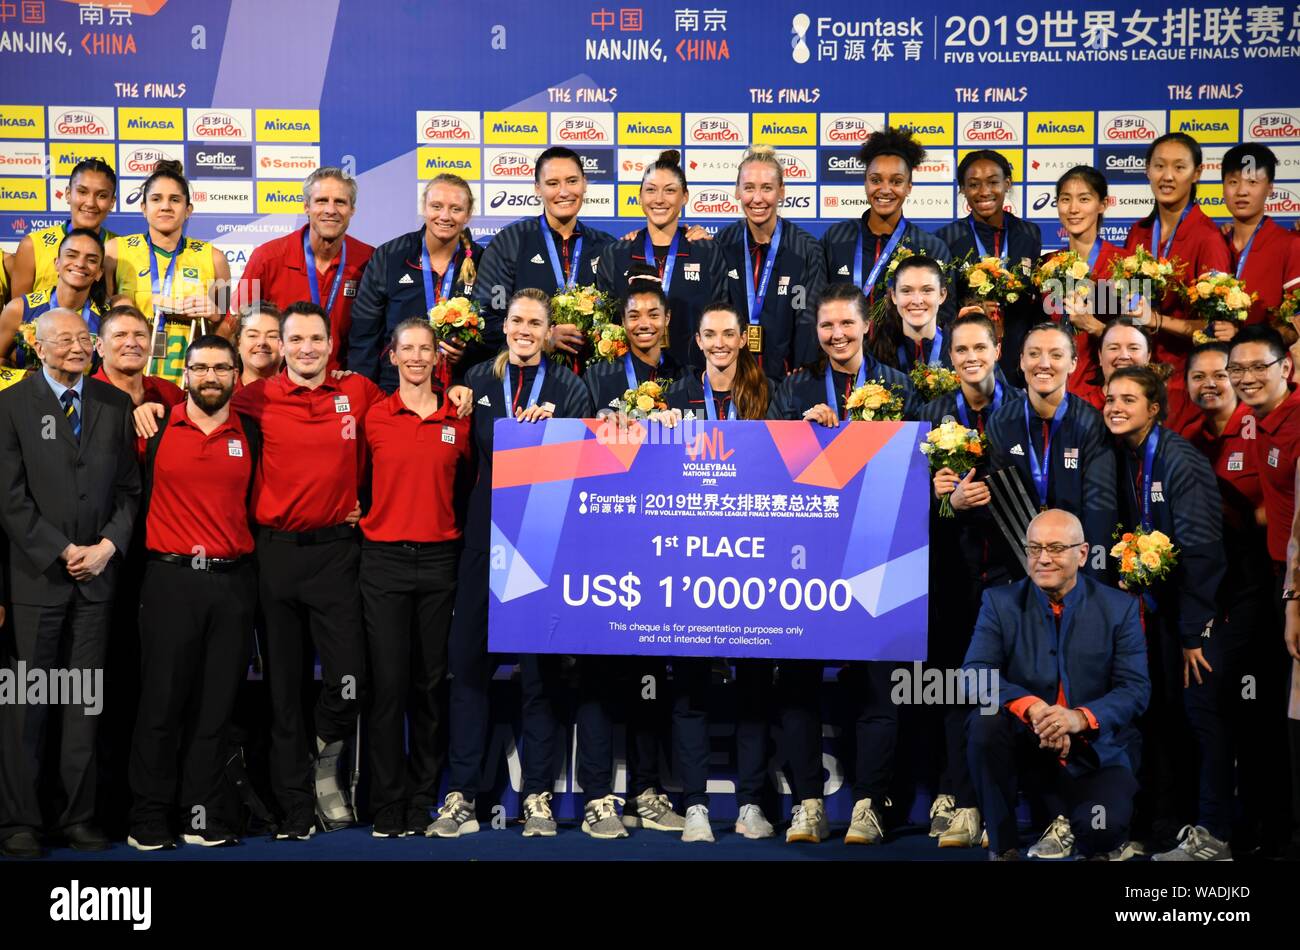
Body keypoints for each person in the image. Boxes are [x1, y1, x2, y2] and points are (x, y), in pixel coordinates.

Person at [186, 300, 383, 839]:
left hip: (338, 554)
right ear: (281, 347)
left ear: (331, 344)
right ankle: (297, 806)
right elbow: (199, 405)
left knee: (350, 680)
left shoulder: (358, 392)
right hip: (274, 557)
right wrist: (146, 406)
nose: (306, 348)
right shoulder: (255, 397)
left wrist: (457, 394)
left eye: (316, 338)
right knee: (284, 690)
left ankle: (320, 757)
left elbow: (402, 429)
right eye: (294, 339)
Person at [434, 288, 592, 839]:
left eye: (535, 323)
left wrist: (558, 429)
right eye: (517, 320)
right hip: (483, 536)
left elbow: (590, 460)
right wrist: (453, 389)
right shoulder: (477, 379)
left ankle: (538, 796)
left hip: (541, 541)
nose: (525, 330)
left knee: (538, 673)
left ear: (549, 332)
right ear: (504, 326)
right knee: (468, 665)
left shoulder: (570, 387)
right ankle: (461, 793)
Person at [768, 283, 913, 846]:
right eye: (827, 325)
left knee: (879, 682)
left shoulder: (898, 386)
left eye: (847, 324)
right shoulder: (795, 388)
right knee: (797, 680)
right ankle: (808, 803)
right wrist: (804, 437)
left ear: (867, 326)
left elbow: (915, 467)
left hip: (880, 553)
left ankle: (869, 805)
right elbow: (770, 466)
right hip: (807, 557)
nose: (837, 335)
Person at [0, 308, 141, 859]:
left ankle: (78, 817)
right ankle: (20, 821)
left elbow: (129, 491)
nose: (78, 348)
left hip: (97, 581)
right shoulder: (11, 406)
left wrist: (106, 547)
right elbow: (9, 499)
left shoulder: (114, 404)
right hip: (36, 580)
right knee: (27, 706)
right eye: (65, 340)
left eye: (85, 338)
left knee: (84, 703)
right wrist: (60, 550)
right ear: (38, 347)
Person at [127, 334, 259, 851]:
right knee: (160, 704)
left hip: (233, 583)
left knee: (215, 708)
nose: (210, 377)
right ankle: (147, 819)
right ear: (184, 374)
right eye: (200, 367)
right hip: (170, 581)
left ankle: (198, 817)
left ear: (235, 376)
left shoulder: (251, 431)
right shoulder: (155, 427)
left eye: (221, 368)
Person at [650, 302, 774, 843]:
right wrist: (652, 431)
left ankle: (751, 804)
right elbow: (640, 464)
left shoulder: (768, 396)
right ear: (697, 341)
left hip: (752, 556)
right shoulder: (674, 397)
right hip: (690, 557)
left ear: (743, 340)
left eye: (729, 333)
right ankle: (695, 803)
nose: (720, 342)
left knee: (754, 685)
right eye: (710, 334)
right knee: (690, 686)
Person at [964, 509, 1150, 860]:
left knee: (1101, 829)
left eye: (1056, 548)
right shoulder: (999, 602)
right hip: (1029, 746)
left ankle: (1083, 829)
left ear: (1082, 554)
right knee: (984, 723)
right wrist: (1032, 708)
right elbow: (974, 673)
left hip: (1094, 751)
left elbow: (1135, 690)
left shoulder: (1118, 607)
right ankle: (1004, 848)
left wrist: (1078, 718)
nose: (1043, 558)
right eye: (1034, 548)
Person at [1103, 366, 1227, 860]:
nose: (1115, 407)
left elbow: (1203, 550)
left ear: (1154, 409)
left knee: (1196, 719)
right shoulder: (1121, 454)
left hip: (1193, 616)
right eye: (1110, 398)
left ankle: (1212, 831)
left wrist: (1194, 633)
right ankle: (1162, 826)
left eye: (1128, 400)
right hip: (1153, 613)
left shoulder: (1179, 460)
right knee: (1154, 717)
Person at [360, 319, 472, 838]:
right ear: (392, 355)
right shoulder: (374, 417)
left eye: (425, 349)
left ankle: (422, 797)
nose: (416, 358)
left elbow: (469, 487)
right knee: (388, 686)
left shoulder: (459, 417)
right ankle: (387, 801)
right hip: (383, 561)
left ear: (437, 358)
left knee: (429, 685)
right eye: (407, 349)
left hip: (440, 561)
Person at [923, 311, 1025, 846]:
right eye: (960, 350)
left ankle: (1002, 807)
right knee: (956, 688)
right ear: (950, 357)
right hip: (954, 577)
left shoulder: (1023, 410)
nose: (970, 358)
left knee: (1009, 690)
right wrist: (946, 502)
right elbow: (909, 505)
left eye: (980, 348)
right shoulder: (932, 414)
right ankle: (964, 803)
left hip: (1013, 573)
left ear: (997, 350)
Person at [1183, 342, 1272, 854]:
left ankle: (1260, 829)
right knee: (1209, 703)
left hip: (1259, 588)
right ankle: (1220, 826)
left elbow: (1279, 504)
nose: (1210, 384)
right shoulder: (1188, 439)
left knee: (1252, 707)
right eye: (1198, 376)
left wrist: (1237, 518)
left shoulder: (1259, 429)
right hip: (1211, 592)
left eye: (1221, 373)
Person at [1230, 325, 1300, 856]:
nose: (1247, 377)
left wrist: (1295, 599)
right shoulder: (1260, 421)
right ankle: (1275, 830)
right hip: (1275, 579)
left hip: (1294, 587)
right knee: (1270, 711)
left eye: (1259, 367)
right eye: (1239, 369)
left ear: (1287, 368)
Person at [987, 323, 1117, 577]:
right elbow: (1001, 505)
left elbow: (1100, 509)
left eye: (1056, 355)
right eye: (1034, 354)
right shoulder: (1002, 421)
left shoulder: (1091, 423)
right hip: (1019, 564)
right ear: (1021, 361)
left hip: (1077, 568)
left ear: (1073, 363)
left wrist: (1093, 578)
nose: (1044, 363)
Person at [473, 146, 614, 372]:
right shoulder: (510, 242)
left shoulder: (606, 247)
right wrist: (541, 338)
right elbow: (487, 319)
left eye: (572, 181)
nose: (564, 192)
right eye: (552, 183)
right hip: (526, 376)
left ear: (584, 183)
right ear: (538, 188)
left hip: (593, 379)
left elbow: (621, 320)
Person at [228, 168, 374, 372]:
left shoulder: (370, 260)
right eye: (321, 201)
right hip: (279, 381)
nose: (330, 210)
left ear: (352, 210)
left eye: (340, 202)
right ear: (306, 206)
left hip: (341, 381)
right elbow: (236, 323)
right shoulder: (266, 257)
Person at [349, 174, 484, 391]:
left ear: (468, 214)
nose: (445, 216)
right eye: (436, 206)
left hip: (458, 389)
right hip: (395, 387)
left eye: (456, 209)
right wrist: (362, 390)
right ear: (424, 208)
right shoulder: (390, 256)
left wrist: (467, 352)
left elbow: (494, 329)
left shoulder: (482, 261)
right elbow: (364, 331)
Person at [596, 150, 727, 371]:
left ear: (685, 196)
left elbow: (720, 320)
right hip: (629, 379)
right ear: (640, 197)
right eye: (651, 190)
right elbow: (604, 326)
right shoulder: (616, 254)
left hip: (693, 377)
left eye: (670, 190)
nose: (659, 199)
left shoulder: (707, 252)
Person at [106, 160, 232, 386]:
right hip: (128, 381)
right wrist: (114, 304)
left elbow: (229, 324)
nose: (165, 206)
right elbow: (97, 313)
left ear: (188, 210)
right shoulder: (116, 251)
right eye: (156, 199)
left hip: (190, 384)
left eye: (175, 199)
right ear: (143, 208)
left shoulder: (215, 258)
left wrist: (215, 315)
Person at [1124, 133, 1232, 376]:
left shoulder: (1208, 238)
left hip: (1185, 377)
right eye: (1159, 166)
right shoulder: (1138, 232)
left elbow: (1216, 328)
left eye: (1179, 167)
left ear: (1197, 173)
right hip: (1137, 373)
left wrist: (1157, 320)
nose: (1167, 176)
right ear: (1147, 170)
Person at [716, 145, 825, 380]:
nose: (757, 199)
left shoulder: (806, 249)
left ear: (781, 191)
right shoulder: (722, 244)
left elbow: (807, 317)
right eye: (749, 188)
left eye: (767, 188)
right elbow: (715, 313)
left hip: (786, 380)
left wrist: (801, 376)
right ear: (737, 191)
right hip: (731, 378)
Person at [820, 127, 951, 315]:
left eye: (896, 182)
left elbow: (944, 315)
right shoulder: (836, 237)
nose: (885, 189)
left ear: (909, 187)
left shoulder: (930, 247)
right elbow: (816, 302)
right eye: (876, 180)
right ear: (865, 183)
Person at [937, 149, 1041, 380]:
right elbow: (941, 307)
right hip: (969, 359)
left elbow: (1035, 301)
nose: (984, 191)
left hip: (1019, 359)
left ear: (1007, 183)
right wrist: (968, 309)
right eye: (974, 185)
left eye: (993, 182)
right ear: (962, 189)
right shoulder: (947, 238)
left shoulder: (1029, 234)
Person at [1039, 166, 1127, 396]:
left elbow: (1141, 339)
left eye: (1084, 199)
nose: (1073, 209)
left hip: (1106, 391)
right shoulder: (1047, 264)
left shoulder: (1126, 264)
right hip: (1053, 389)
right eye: (1065, 199)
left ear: (1103, 204)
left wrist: (1093, 325)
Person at [1220, 144, 1300, 337]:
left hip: (1267, 355)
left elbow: (1295, 327)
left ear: (1270, 188)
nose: (1242, 191)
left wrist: (1242, 338)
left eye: (1252, 182)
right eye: (1233, 182)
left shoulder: (1290, 245)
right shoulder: (1213, 241)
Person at [8, 158, 117, 299]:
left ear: (112, 202)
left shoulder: (121, 249)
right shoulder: (33, 246)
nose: (90, 203)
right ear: (68, 194)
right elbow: (19, 309)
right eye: (82, 192)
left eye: (102, 196)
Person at [0, 228, 108, 369]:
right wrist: (25, 378)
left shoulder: (106, 319)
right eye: (71, 255)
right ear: (57, 263)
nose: (80, 264)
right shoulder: (19, 309)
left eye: (91, 260)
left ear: (99, 273)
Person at [584, 268, 681, 413]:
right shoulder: (598, 377)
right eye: (634, 316)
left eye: (653, 315)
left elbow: (699, 423)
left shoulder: (685, 377)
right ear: (623, 320)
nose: (644, 325)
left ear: (667, 318)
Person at [870, 254, 952, 374]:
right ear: (894, 296)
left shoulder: (960, 347)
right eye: (906, 291)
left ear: (942, 295)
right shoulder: (875, 356)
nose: (917, 301)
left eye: (927, 290)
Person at [92, 304, 185, 408]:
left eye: (139, 335)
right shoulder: (84, 397)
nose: (132, 343)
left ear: (150, 345)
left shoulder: (170, 394)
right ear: (100, 347)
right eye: (120, 335)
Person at [234, 302, 283, 389]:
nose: (262, 342)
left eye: (272, 336)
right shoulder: (223, 394)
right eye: (252, 335)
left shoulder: (303, 394)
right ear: (238, 343)